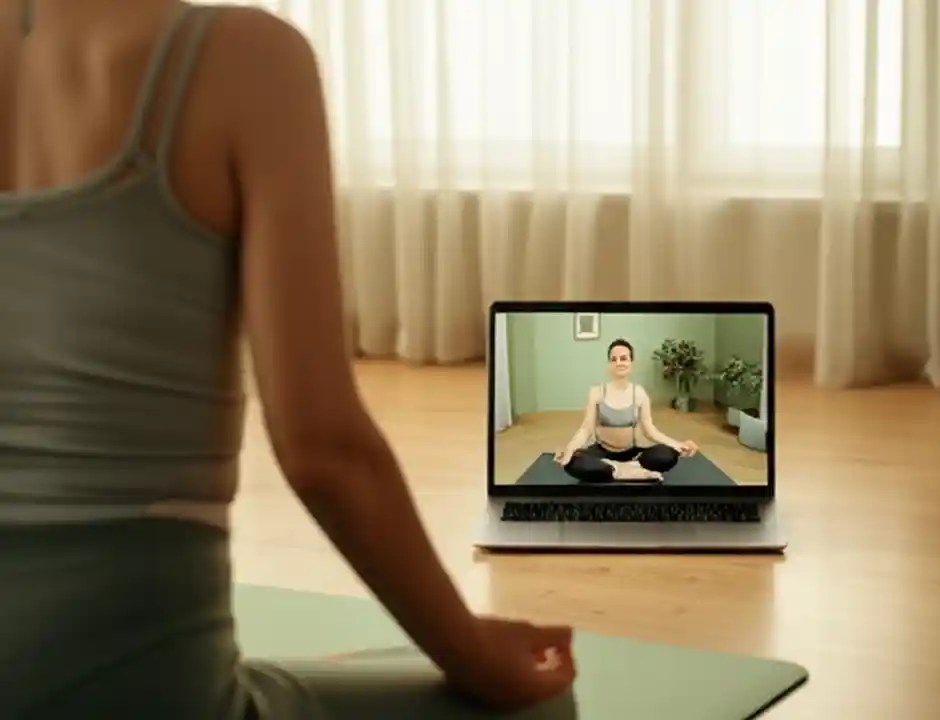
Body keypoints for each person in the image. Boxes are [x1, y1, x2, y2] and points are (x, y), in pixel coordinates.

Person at [0, 1, 575, 717]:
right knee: (538, 703)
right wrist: (471, 654)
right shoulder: (245, 58)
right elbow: (321, 449)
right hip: (140, 689)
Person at [554, 338, 700, 483]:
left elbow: (650, 431)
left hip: (632, 455)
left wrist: (677, 445)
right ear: (609, 364)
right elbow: (586, 429)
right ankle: (627, 471)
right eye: (614, 359)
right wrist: (569, 449)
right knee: (573, 462)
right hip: (602, 453)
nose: (619, 363)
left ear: (631, 362)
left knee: (667, 454)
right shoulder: (596, 392)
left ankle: (616, 470)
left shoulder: (640, 393)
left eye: (623, 358)